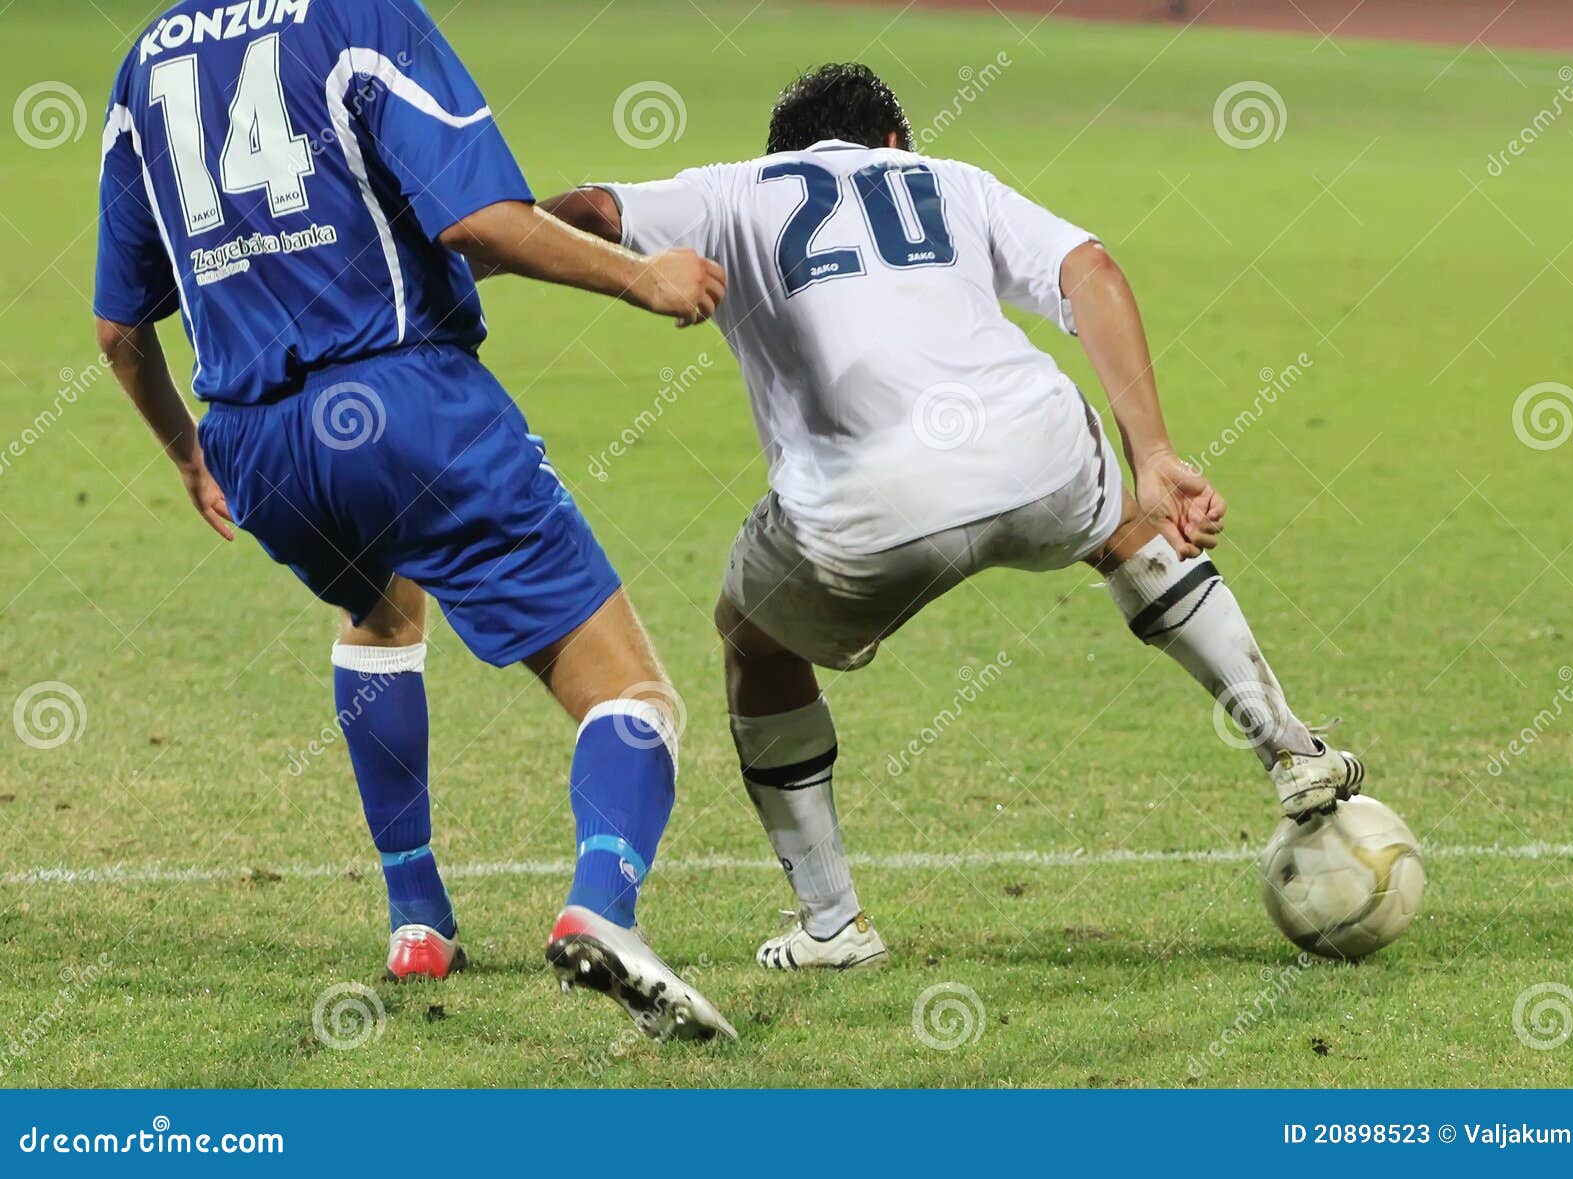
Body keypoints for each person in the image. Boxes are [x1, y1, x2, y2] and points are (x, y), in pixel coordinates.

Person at [538, 63, 1364, 972]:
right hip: (1033, 451)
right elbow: (1091, 267)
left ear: (788, 150)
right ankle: (1290, 750)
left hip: (856, 517)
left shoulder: (733, 187)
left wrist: (567, 256)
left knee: (753, 640)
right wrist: (1156, 453)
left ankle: (833, 923)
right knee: (1128, 529)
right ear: (894, 143)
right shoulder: (950, 180)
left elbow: (585, 208)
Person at [93, 0, 734, 1040]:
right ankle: (602, 906)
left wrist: (187, 455)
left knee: (383, 613)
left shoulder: (143, 64)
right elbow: (476, 219)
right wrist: (637, 277)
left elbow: (120, 328)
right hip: (407, 409)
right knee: (634, 695)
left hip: (258, 446)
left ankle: (417, 919)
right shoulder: (361, 16)